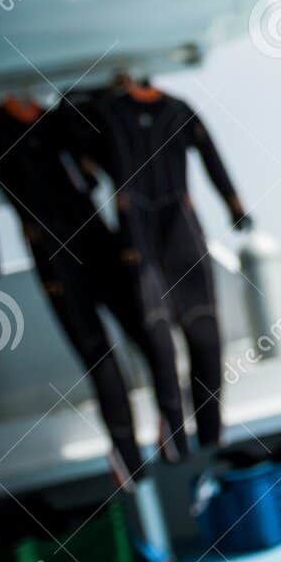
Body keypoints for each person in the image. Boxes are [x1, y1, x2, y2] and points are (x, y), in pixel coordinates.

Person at [0, 96, 186, 488]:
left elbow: (103, 160)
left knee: (148, 335)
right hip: (56, 251)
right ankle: (131, 454)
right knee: (101, 355)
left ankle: (169, 430)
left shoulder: (56, 119)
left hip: (92, 239)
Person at [63, 78, 250, 459]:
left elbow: (211, 155)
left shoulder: (178, 110)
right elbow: (74, 138)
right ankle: (174, 442)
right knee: (160, 346)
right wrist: (93, 97)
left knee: (205, 337)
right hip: (137, 236)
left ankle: (212, 441)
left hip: (182, 231)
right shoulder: (109, 114)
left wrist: (234, 204)